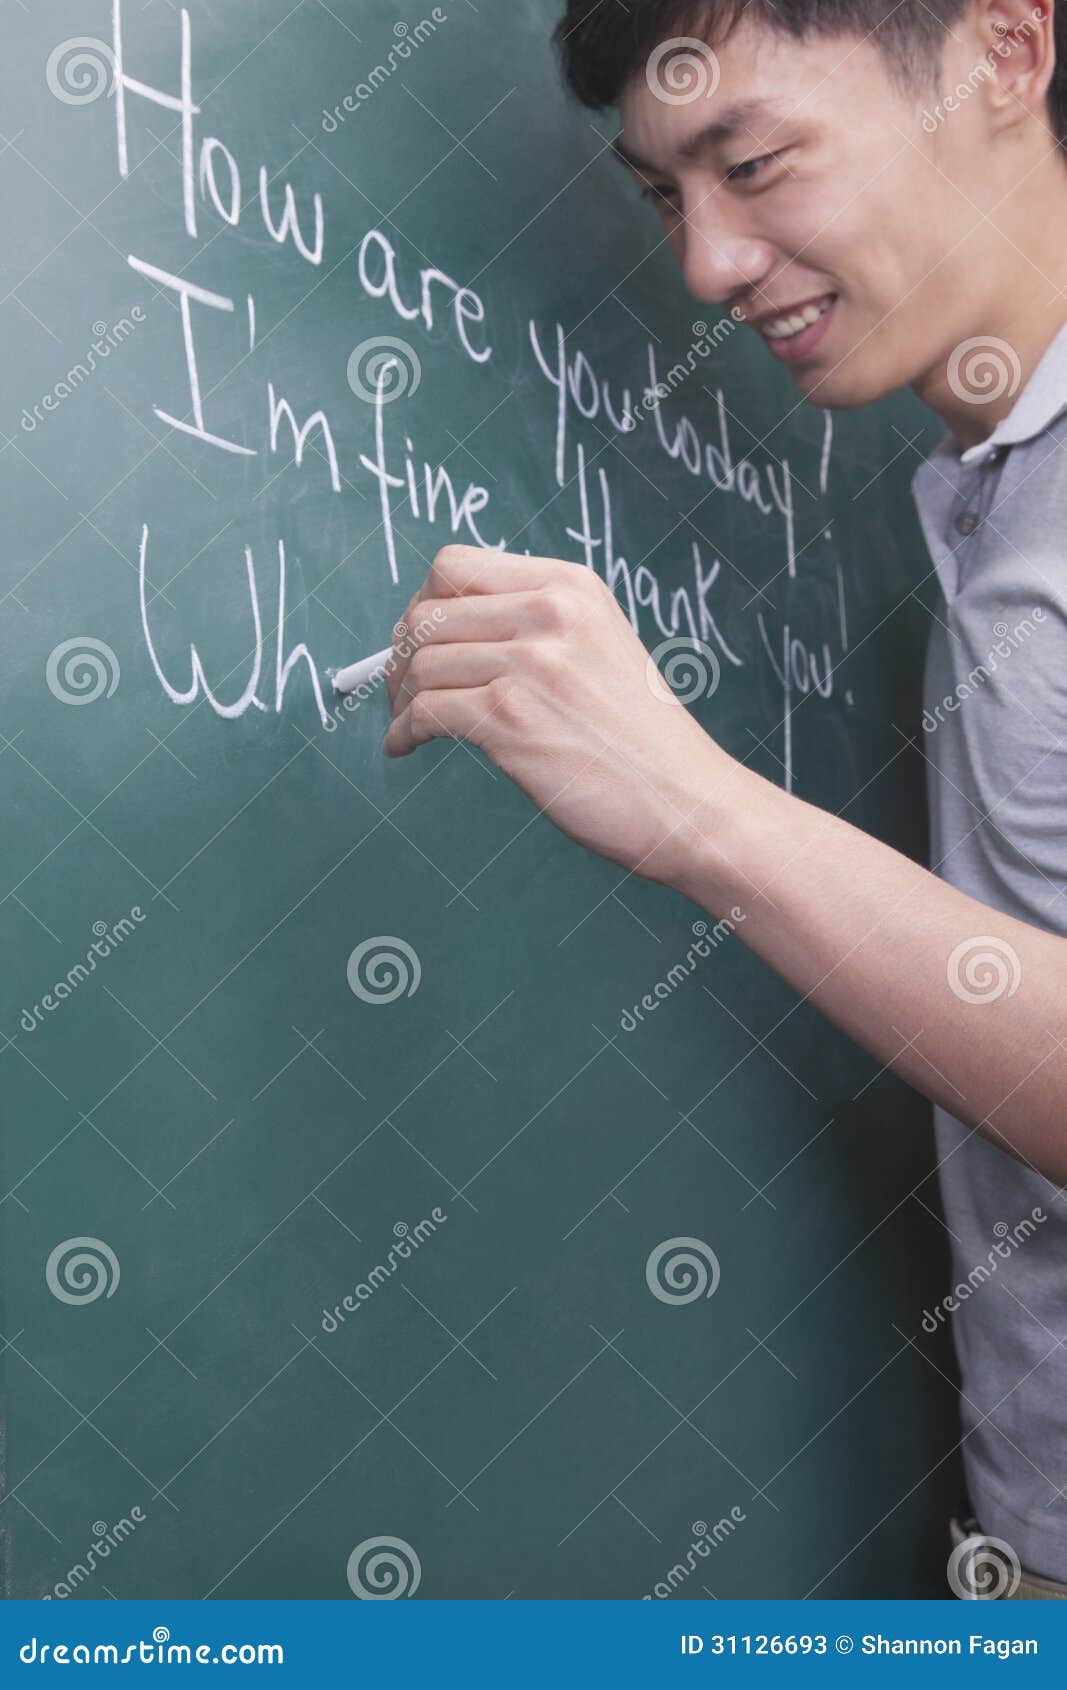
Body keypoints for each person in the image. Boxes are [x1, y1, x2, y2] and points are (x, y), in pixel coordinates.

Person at [381, 0, 1067, 1596]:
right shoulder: (986, 481)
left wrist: (693, 801)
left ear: (1006, 55)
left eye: (752, 161)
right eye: (664, 198)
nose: (705, 266)